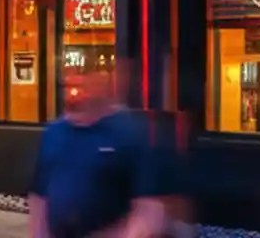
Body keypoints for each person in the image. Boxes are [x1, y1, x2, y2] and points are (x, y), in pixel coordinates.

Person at [28, 71, 167, 238]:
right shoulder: (54, 133)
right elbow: (38, 195)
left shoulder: (128, 134)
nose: (73, 95)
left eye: (82, 88)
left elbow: (149, 209)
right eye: (69, 88)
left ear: (102, 93)